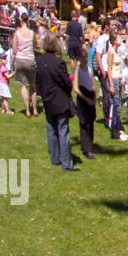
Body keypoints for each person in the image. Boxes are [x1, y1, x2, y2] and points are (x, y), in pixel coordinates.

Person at [35, 33, 78, 171]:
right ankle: (67, 164)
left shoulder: (39, 60)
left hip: (47, 99)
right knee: (63, 131)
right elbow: (65, 82)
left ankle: (55, 158)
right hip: (59, 99)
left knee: (51, 130)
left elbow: (38, 81)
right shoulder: (59, 62)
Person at [69, 44, 97, 160]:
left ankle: (90, 145)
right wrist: (86, 99)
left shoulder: (89, 70)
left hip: (90, 95)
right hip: (83, 97)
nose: (85, 59)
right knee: (84, 123)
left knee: (91, 123)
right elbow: (76, 88)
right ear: (79, 59)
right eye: (83, 57)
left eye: (86, 57)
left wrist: (94, 97)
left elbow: (93, 85)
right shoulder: (78, 71)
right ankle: (86, 148)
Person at [0, 43, 14, 115]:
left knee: (2, 98)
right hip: (3, 84)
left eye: (5, 58)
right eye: (3, 59)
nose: (5, 60)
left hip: (1, 84)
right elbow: (8, 76)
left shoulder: (0, 67)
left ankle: (3, 109)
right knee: (5, 98)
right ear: (0, 60)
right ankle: (8, 110)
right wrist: (13, 73)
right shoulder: (3, 68)